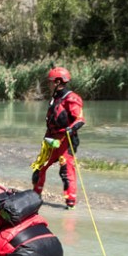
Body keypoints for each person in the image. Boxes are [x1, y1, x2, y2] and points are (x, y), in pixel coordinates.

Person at [31, 67, 85, 209]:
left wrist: (70, 129)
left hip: (65, 140)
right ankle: (35, 196)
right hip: (51, 139)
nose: (49, 84)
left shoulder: (72, 98)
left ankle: (70, 202)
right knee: (39, 167)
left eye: (51, 82)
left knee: (66, 171)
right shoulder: (55, 98)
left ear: (58, 82)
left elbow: (80, 120)